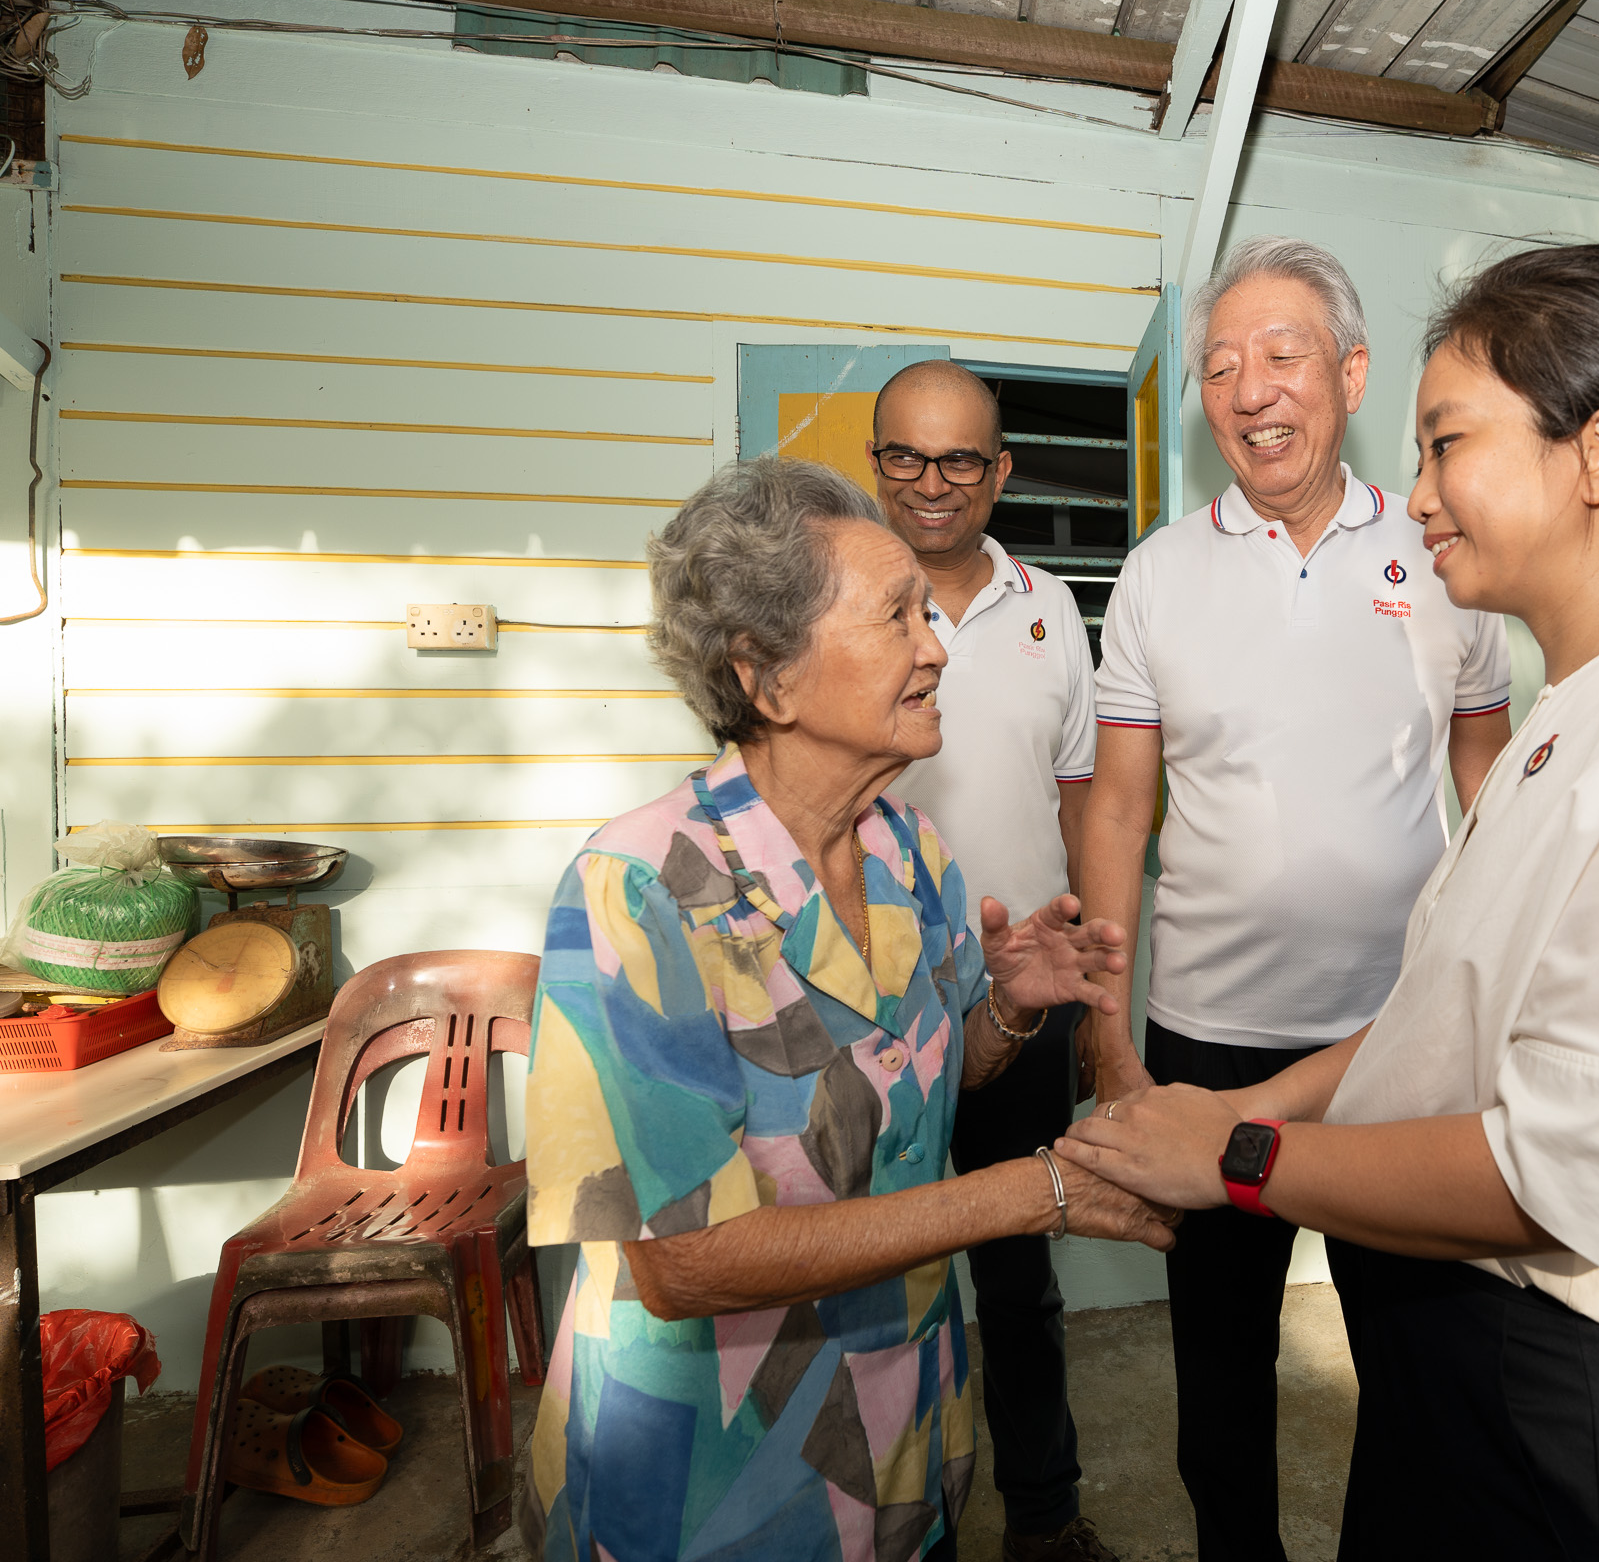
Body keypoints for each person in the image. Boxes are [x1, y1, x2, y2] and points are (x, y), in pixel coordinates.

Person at [1060, 244, 1599, 1561]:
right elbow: (1453, 1008)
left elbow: (1567, 1172)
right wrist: (1228, 1104)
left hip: (1581, 1391)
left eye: (1449, 444)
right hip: (1470, 1353)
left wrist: (1237, 1156)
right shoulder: (1586, 714)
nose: (1423, 493)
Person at [518, 457, 1177, 1562]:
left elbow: (921, 1093)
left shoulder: (911, 854)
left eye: (930, 610)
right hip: (716, 1471)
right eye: (898, 616)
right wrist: (1035, 1192)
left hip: (903, 1419)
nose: (939, 644)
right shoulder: (637, 890)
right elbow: (684, 1263)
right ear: (768, 678)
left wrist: (1008, 1010)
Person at [1076, 235, 1514, 1559]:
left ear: (1351, 373)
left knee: (1419, 1363)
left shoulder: (1447, 557)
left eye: (1282, 354)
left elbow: (1484, 764)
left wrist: (1497, 976)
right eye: (1221, 367)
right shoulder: (1160, 574)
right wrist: (1108, 1033)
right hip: (1206, 1042)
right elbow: (1113, 805)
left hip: (1400, 1044)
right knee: (1217, 1382)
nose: (1250, 389)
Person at [868, 360, 1115, 1562]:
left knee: (1018, 1277)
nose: (931, 484)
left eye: (959, 459)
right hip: (867, 1007)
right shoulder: (841, 596)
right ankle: (877, 1522)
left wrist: (1095, 989)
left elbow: (1083, 803)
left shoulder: (1049, 607)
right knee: (868, 1277)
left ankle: (1043, 1516)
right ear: (875, 465)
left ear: (999, 471)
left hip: (1018, 1001)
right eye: (905, 458)